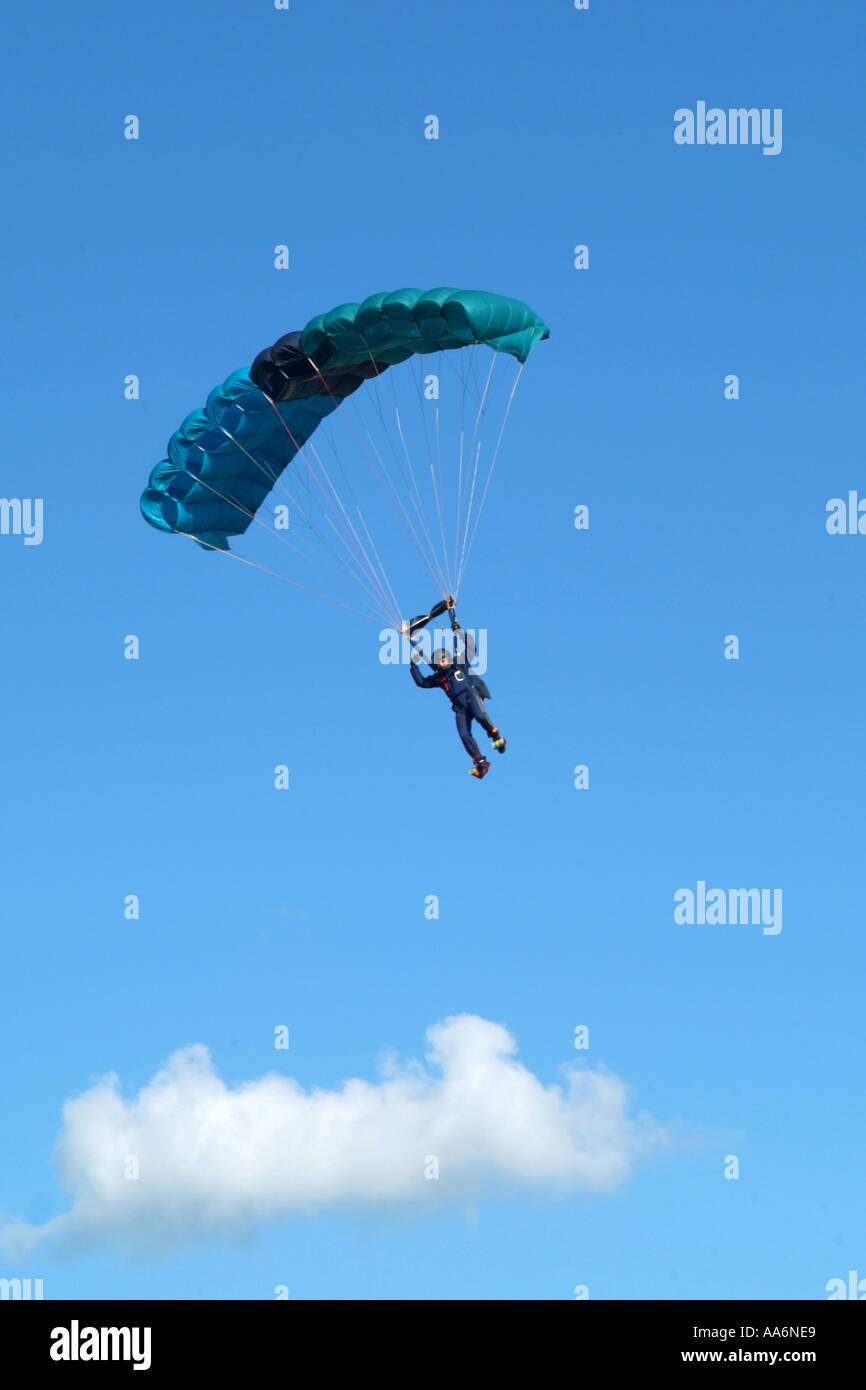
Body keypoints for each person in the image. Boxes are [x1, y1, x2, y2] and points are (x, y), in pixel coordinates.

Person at [407, 598, 506, 779]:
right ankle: (480, 761)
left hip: (471, 694)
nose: (443, 661)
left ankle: (493, 733)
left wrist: (458, 631)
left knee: (479, 715)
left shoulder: (461, 663)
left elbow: (471, 647)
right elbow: (421, 682)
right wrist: (413, 665)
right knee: (463, 734)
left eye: (444, 658)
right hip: (459, 707)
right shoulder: (439, 678)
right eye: (439, 661)